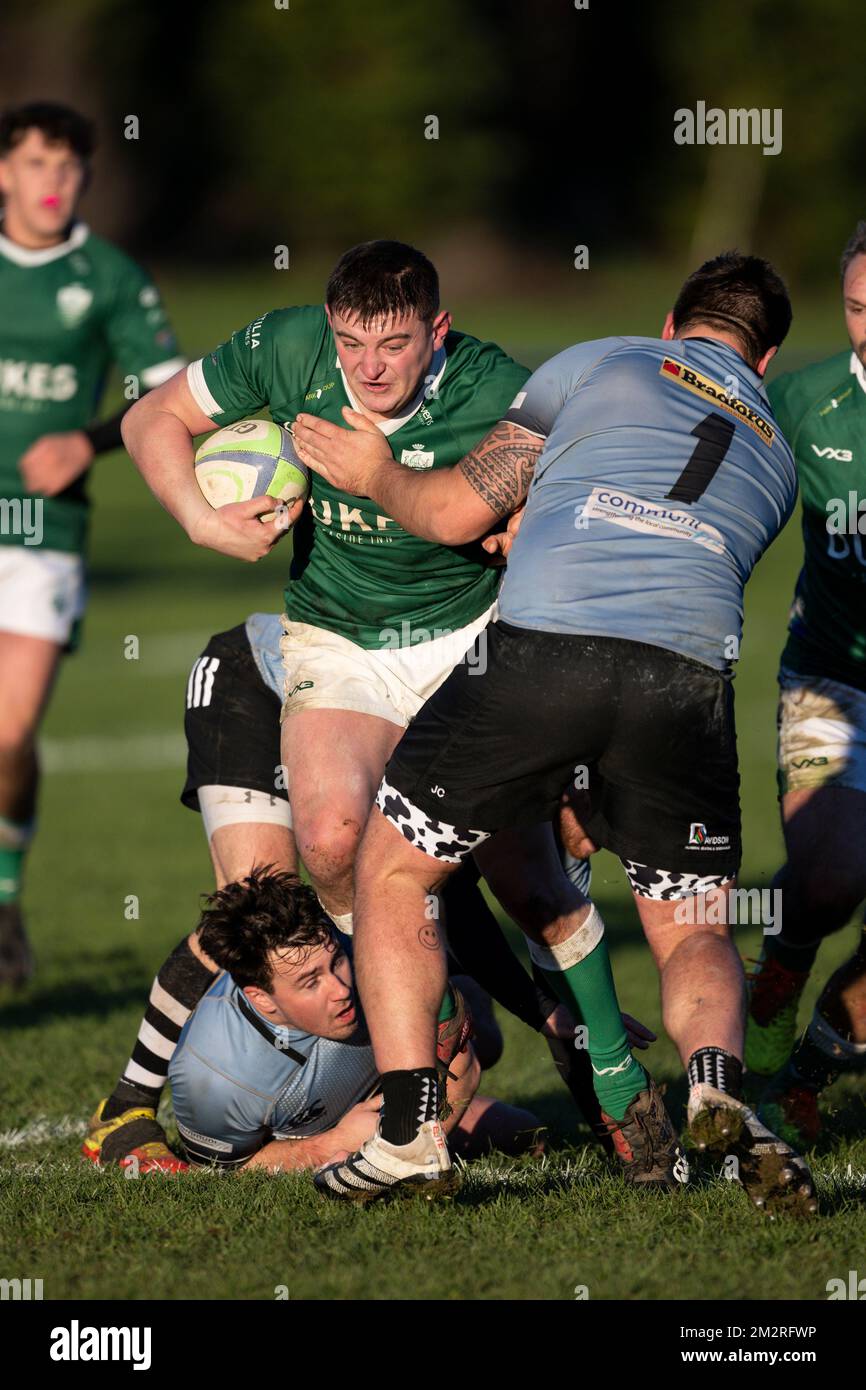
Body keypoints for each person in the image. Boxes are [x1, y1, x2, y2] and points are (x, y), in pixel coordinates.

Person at [296, 252, 817, 1216]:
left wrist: (375, 474)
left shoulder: (601, 361)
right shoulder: (776, 453)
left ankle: (412, 1135)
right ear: (768, 357)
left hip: (543, 653)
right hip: (688, 682)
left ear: (671, 322)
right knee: (693, 925)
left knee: (393, 871)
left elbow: (458, 506)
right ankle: (714, 1086)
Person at [84, 611, 651, 1171]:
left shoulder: (488, 688)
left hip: (374, 695)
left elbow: (439, 894)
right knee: (258, 908)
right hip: (255, 686)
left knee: (472, 1025)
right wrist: (544, 1012)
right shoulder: (476, 686)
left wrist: (545, 1015)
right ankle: (127, 1106)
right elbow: (434, 894)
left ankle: (363, 1110)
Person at [0, 102, 183, 984]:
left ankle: (5, 890)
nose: (53, 183)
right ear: (5, 171)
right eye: (37, 164)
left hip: (42, 528)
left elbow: (168, 394)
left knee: (9, 734)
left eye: (69, 168)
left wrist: (88, 441)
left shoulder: (108, 277)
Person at [164, 870, 545, 1177]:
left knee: (525, 1128)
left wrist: (403, 1154)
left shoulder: (367, 949)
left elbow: (465, 1063)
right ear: (260, 997)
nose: (341, 988)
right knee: (520, 1132)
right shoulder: (215, 1078)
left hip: (389, 1079)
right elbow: (222, 1173)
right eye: (311, 982)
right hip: (324, 1127)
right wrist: (330, 1144)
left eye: (336, 962)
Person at [745, 221, 866, 1146]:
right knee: (826, 876)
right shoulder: (803, 403)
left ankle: (808, 1068)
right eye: (860, 311)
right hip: (828, 677)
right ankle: (779, 976)